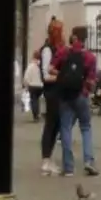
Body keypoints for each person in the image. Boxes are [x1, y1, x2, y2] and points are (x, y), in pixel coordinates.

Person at [52, 26, 99, 179]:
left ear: (74, 37)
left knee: (65, 128)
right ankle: (88, 161)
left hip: (65, 95)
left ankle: (68, 167)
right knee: (85, 127)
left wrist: (64, 75)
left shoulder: (63, 52)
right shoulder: (91, 57)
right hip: (82, 95)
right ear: (85, 39)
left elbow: (50, 69)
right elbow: (92, 81)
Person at [39, 19, 66, 176]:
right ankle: (45, 159)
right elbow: (46, 75)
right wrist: (62, 77)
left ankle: (48, 159)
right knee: (51, 124)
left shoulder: (58, 48)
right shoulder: (47, 50)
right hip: (51, 91)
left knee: (56, 125)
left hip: (58, 90)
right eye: (60, 31)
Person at [23, 52, 44, 121]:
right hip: (40, 86)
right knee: (37, 100)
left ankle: (35, 115)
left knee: (34, 100)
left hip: (32, 86)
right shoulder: (41, 66)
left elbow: (26, 77)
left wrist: (26, 85)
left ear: (33, 57)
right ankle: (38, 113)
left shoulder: (31, 66)